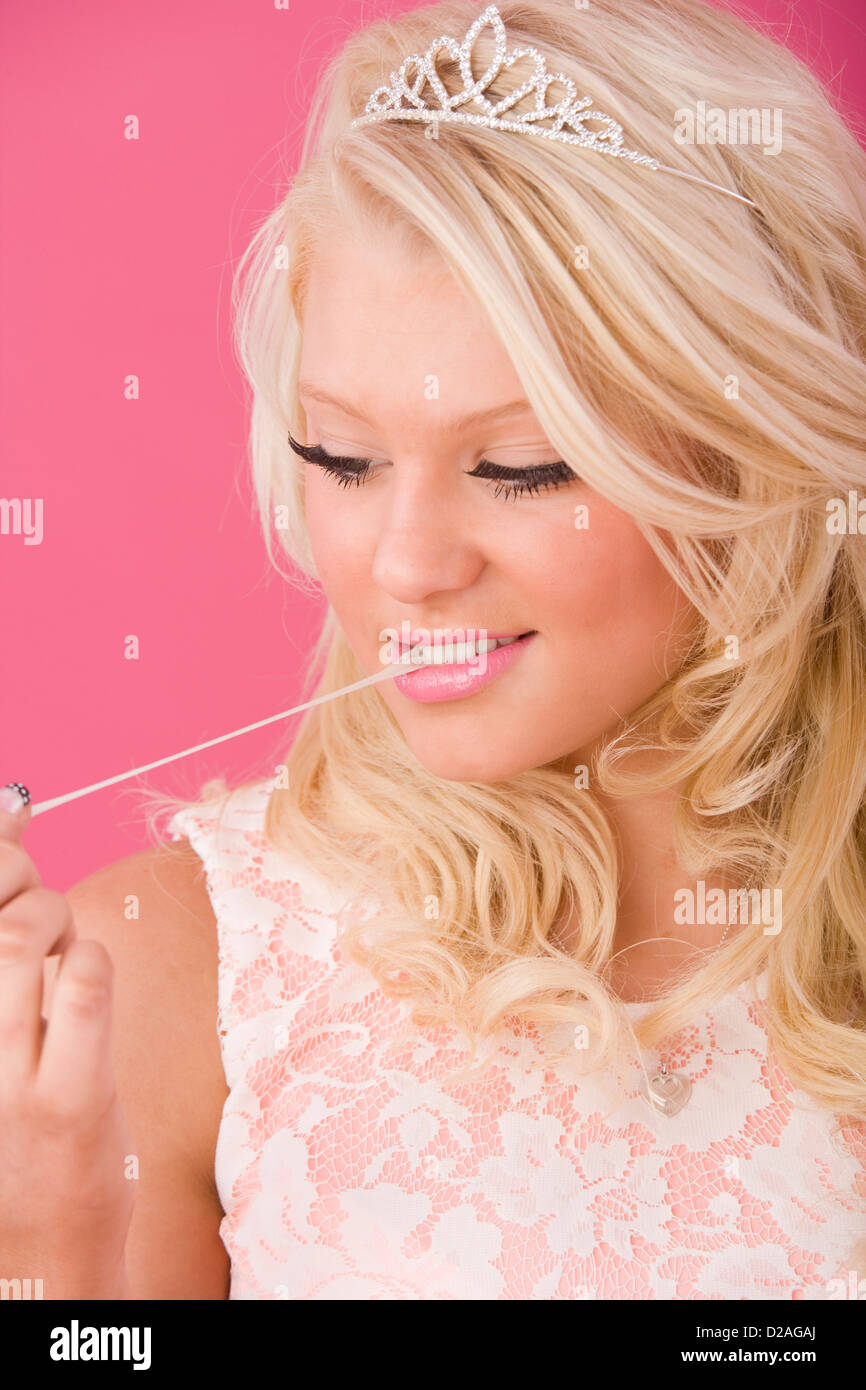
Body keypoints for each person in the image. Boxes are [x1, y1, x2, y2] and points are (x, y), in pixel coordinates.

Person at [2, 0, 865, 1301]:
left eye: (515, 467)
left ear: (753, 448)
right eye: (341, 457)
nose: (402, 563)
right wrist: (44, 1257)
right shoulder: (157, 979)